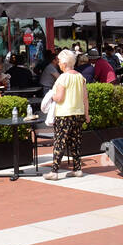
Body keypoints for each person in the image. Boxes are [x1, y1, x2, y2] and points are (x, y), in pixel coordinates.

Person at [46, 49, 90, 180]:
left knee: (60, 142)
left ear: (64, 63)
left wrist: (51, 96)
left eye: (59, 61)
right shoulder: (80, 77)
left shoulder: (62, 78)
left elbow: (59, 98)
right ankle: (77, 169)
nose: (59, 64)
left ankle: (54, 171)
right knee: (75, 142)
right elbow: (85, 98)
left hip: (64, 114)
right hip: (78, 113)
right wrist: (87, 114)